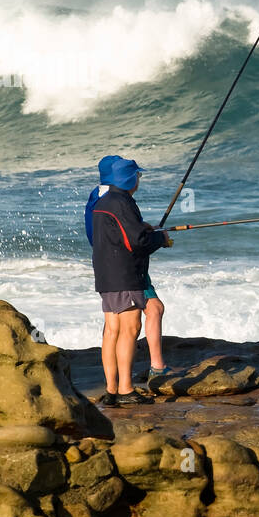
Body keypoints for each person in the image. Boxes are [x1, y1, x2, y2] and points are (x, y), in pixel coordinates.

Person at [89, 156, 172, 405]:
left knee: (112, 332)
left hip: (106, 275)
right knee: (130, 329)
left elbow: (121, 234)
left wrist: (143, 228)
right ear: (127, 178)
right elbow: (137, 243)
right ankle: (126, 390)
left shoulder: (102, 202)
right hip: (124, 275)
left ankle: (112, 390)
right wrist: (161, 239)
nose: (138, 179)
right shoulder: (122, 202)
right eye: (137, 175)